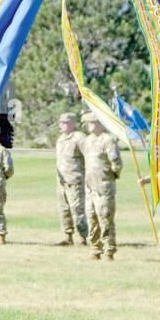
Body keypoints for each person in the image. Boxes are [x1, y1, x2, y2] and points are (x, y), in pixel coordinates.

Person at [81, 113, 122, 261]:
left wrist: (110, 177)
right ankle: (95, 248)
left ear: (99, 123)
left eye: (92, 123)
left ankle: (109, 250)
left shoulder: (108, 140)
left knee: (105, 218)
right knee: (91, 218)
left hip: (104, 187)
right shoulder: (88, 141)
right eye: (88, 123)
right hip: (90, 187)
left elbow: (116, 164)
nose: (89, 125)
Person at [54, 112, 88, 246]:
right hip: (62, 181)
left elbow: (89, 156)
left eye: (65, 122)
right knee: (64, 210)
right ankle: (68, 236)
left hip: (75, 180)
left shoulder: (79, 138)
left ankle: (83, 237)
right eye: (61, 122)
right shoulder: (61, 139)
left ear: (73, 123)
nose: (62, 125)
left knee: (77, 210)